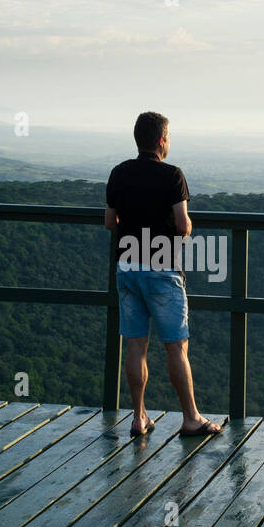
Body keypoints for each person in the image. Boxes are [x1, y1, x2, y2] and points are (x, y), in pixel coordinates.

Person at [105, 112, 223, 439]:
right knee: (176, 346)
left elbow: (109, 221)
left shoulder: (119, 173)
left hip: (126, 266)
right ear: (161, 140)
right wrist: (177, 237)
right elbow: (183, 225)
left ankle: (139, 417)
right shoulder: (173, 175)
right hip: (161, 269)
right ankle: (191, 418)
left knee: (135, 345)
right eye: (168, 137)